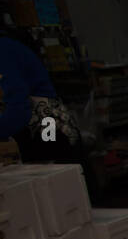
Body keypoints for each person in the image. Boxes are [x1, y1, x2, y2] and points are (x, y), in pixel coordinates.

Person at [0, 31, 81, 163]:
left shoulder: (3, 51)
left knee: (57, 175)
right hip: (31, 131)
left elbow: (18, 108)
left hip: (47, 127)